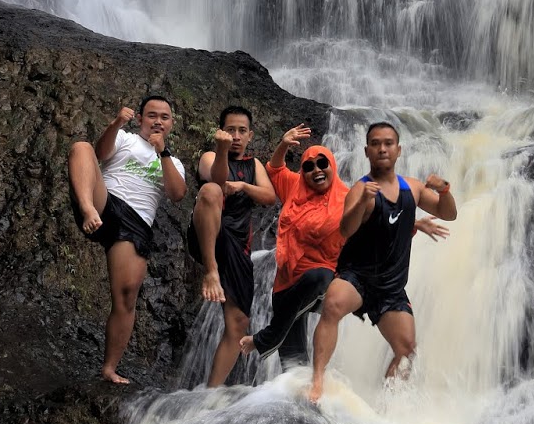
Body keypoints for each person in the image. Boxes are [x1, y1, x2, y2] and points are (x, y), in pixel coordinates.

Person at [308, 121, 457, 404]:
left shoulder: (411, 188)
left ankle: (385, 409)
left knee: (407, 350)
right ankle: (317, 382)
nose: (382, 148)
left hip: (391, 287)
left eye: (388, 143)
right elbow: (345, 230)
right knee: (333, 303)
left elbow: (448, 214)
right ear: (367, 151)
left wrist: (446, 190)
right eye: (375, 144)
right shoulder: (360, 189)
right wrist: (363, 203)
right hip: (357, 278)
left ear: (398, 150)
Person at [68, 93, 186, 385]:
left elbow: (177, 194)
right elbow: (100, 152)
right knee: (81, 147)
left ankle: (109, 368)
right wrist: (116, 123)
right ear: (141, 119)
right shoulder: (125, 139)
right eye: (151, 115)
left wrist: (164, 154)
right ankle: (86, 209)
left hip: (137, 223)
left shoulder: (174, 162)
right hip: (105, 202)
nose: (157, 121)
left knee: (126, 297)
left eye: (164, 117)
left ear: (171, 124)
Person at [238, 126, 348, 369]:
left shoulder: (348, 198)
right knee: (293, 365)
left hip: (322, 283)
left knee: (319, 275)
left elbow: (375, 219)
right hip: (286, 284)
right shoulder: (295, 186)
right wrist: (284, 144)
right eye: (309, 166)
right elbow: (275, 169)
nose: (316, 170)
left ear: (332, 166)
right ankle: (303, 402)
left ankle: (267, 336)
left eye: (322, 163)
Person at [188, 105, 277, 387]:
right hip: (207, 234)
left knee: (238, 323)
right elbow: (214, 179)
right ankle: (211, 272)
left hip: (238, 247)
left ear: (250, 135)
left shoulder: (254, 166)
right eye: (230, 130)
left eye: (241, 131)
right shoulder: (211, 156)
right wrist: (222, 150)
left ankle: (209, 392)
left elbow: (269, 197)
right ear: (220, 132)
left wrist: (243, 186)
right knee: (212, 190)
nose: (235, 136)